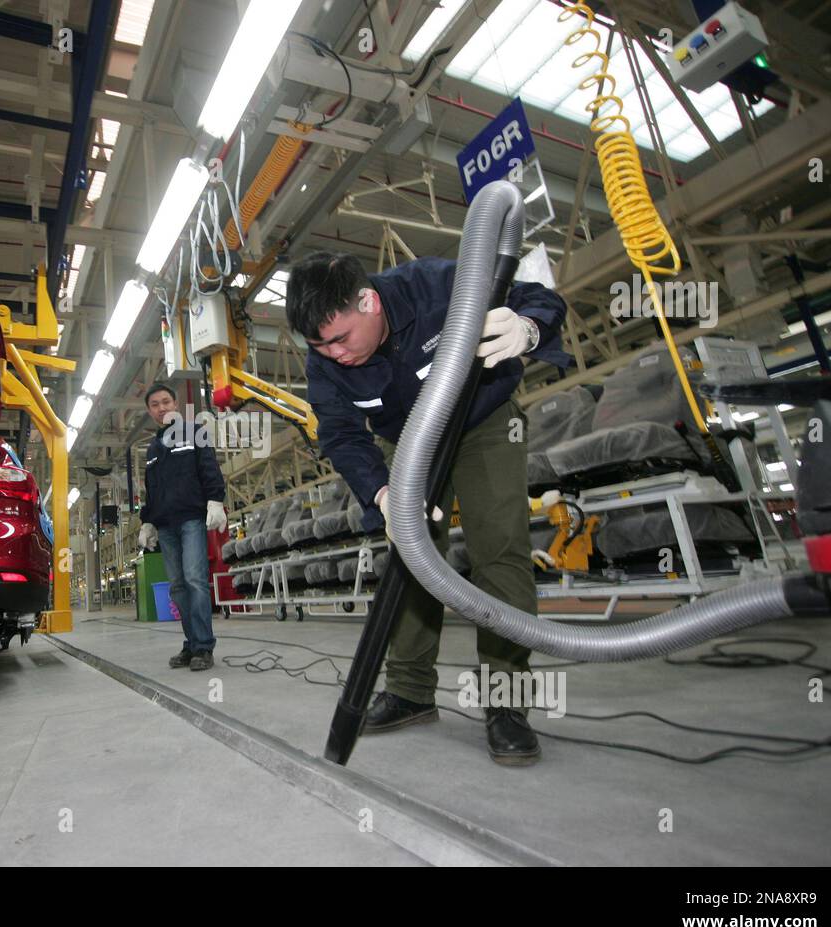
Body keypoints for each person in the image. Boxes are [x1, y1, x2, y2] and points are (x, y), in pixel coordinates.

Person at [285, 251, 571, 765]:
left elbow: (536, 293)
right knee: (412, 557)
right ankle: (411, 691)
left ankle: (506, 703)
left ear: (369, 301)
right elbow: (341, 434)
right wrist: (382, 495)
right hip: (410, 439)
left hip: (484, 421)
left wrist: (528, 327)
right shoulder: (326, 363)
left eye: (341, 338)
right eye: (318, 346)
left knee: (499, 548)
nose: (333, 354)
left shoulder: (438, 285)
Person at [138, 383, 228, 671]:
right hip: (165, 525)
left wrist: (215, 499)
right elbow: (151, 489)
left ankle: (204, 646)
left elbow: (209, 468)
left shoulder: (194, 432)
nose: (162, 407)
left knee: (195, 580)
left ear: (175, 404)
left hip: (191, 518)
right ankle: (192, 644)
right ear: (150, 411)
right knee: (177, 587)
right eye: (155, 404)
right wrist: (147, 521)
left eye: (166, 401)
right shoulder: (153, 448)